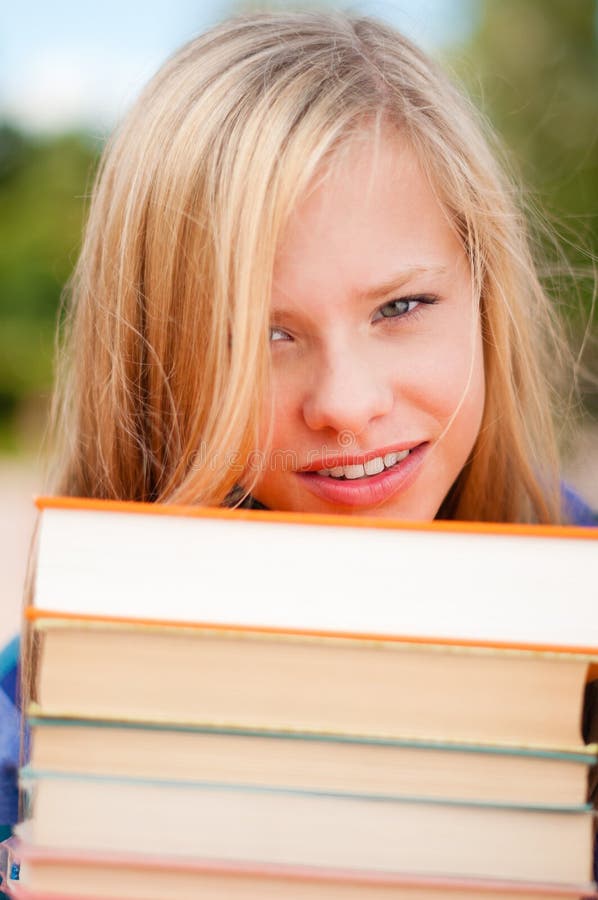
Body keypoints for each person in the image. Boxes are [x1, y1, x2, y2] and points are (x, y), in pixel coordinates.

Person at [1, 6, 595, 853]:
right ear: (151, 363)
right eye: (256, 336)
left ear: (486, 297)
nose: (347, 405)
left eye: (401, 306)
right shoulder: (31, 739)